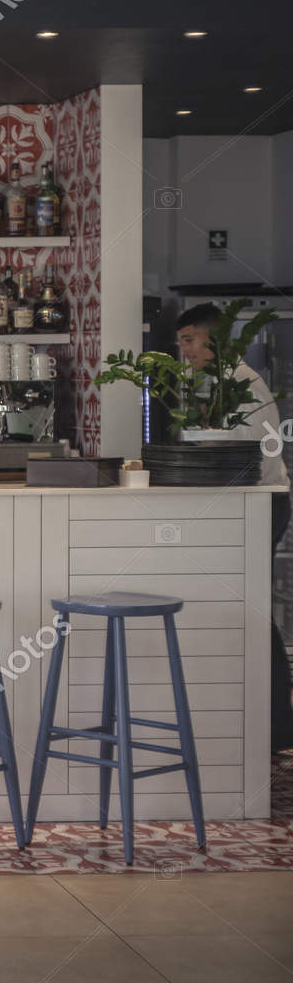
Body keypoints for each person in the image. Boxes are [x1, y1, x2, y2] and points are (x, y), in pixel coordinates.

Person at [175, 302, 291, 752]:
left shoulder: (244, 385)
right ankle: (276, 725)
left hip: (261, 505)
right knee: (254, 611)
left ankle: (277, 725)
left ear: (215, 340)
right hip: (251, 504)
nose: (184, 351)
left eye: (189, 341)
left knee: (255, 612)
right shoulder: (222, 383)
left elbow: (242, 463)